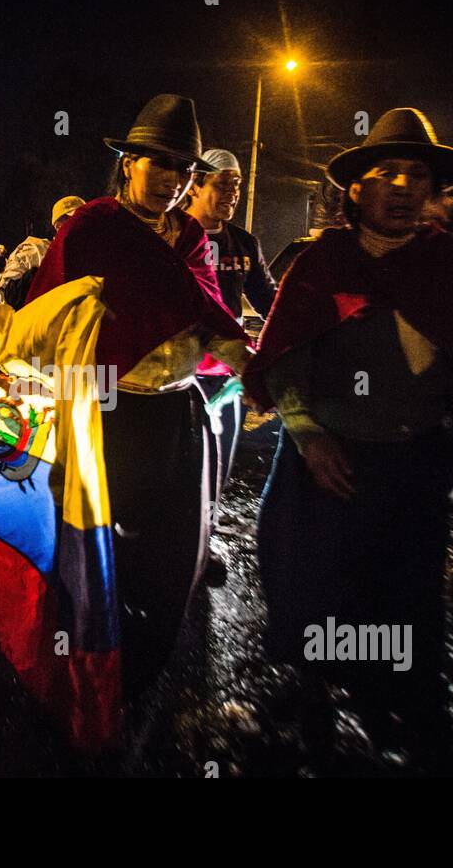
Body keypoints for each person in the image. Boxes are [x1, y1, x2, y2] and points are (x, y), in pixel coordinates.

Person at [244, 108, 453, 769]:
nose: (401, 184)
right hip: (326, 463)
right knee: (316, 588)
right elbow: (284, 362)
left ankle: (402, 712)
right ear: (355, 188)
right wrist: (308, 437)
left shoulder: (451, 267)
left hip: (415, 466)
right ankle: (315, 703)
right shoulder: (321, 263)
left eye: (416, 174)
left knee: (406, 596)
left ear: (434, 190)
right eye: (384, 171)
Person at [27, 94, 251, 700]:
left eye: (183, 170)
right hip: (106, 408)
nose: (172, 182)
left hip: (178, 411)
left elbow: (207, 312)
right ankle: (91, 678)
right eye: (158, 164)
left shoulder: (193, 238)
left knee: (175, 559)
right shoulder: (94, 228)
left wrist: (251, 368)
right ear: (127, 163)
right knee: (99, 548)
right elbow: (49, 320)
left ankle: (142, 681)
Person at [182, 148, 277, 586]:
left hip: (228, 379)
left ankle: (204, 547)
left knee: (218, 468)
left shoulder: (245, 244)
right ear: (195, 186)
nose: (231, 195)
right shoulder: (177, 237)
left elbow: (270, 300)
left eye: (237, 187)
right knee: (184, 467)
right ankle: (177, 549)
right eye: (223, 185)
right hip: (183, 377)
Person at [0, 195, 85, 309]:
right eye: (75, 220)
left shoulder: (85, 255)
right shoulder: (36, 250)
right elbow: (10, 295)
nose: (82, 226)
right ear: (58, 225)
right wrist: (40, 275)